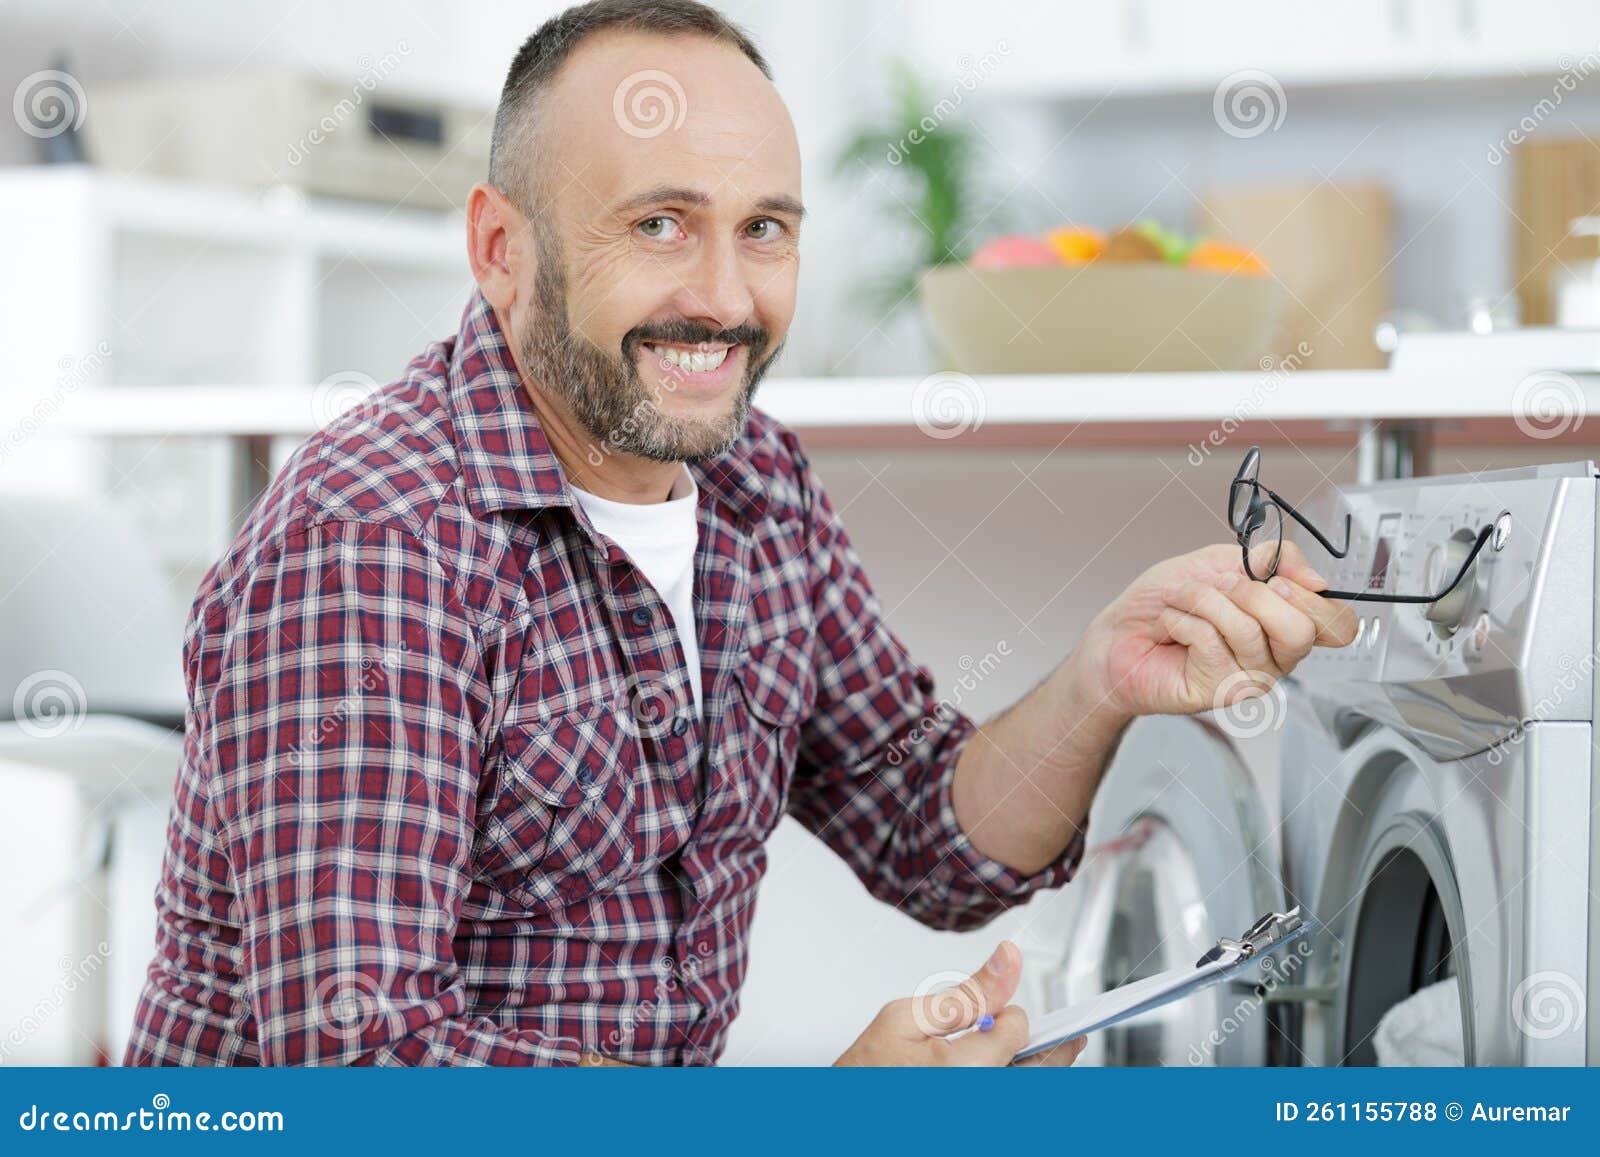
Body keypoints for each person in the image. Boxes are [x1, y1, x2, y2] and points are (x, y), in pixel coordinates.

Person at [125, 0, 1355, 1068]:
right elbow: (366, 1069)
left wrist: (1102, 675)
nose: (723, 296)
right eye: (659, 224)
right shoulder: (376, 541)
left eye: (763, 227)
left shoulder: (754, 483)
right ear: (502, 249)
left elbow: (927, 826)